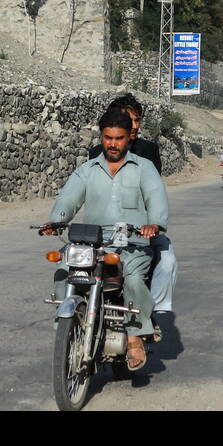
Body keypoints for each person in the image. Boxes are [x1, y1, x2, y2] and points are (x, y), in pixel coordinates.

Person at [42, 108, 168, 370]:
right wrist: (56, 221)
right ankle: (69, 324)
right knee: (64, 268)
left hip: (131, 245)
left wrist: (153, 224)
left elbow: (156, 198)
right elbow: (68, 198)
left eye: (119, 138)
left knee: (133, 280)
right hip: (92, 243)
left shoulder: (143, 168)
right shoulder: (87, 169)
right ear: (102, 137)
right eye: (108, 137)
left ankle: (134, 338)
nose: (112, 143)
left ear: (128, 139)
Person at [87, 95, 176, 323]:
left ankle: (149, 313)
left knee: (167, 263)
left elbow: (153, 192)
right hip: (105, 227)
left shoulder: (148, 151)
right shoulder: (97, 152)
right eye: (130, 120)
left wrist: (153, 222)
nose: (135, 125)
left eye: (138, 120)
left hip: (139, 228)